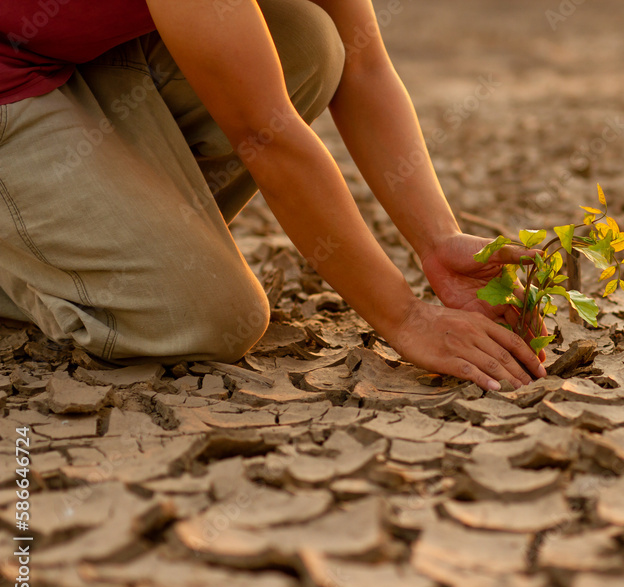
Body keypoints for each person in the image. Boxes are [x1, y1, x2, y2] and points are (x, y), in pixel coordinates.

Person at [0, 0, 547, 391]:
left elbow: (365, 67)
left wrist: (438, 241)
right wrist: (403, 317)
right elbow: (268, 137)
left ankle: (89, 225)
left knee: (306, 40)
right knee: (205, 314)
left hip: (60, 59)